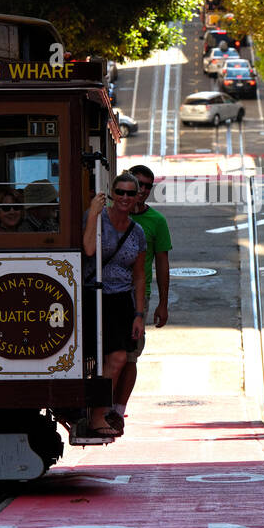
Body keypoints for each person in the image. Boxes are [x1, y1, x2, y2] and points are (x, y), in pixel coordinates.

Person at [81, 173, 147, 437]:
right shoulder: (96, 217)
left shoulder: (138, 232)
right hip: (93, 295)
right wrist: (94, 214)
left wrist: (139, 314)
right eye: (120, 192)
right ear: (112, 192)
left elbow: (139, 275)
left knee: (119, 358)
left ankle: (100, 414)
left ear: (137, 197)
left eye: (131, 194)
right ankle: (95, 414)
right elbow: (87, 250)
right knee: (97, 359)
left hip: (121, 301)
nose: (125, 198)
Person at [113, 165, 172, 433]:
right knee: (113, 355)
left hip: (139, 297)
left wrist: (162, 303)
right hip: (110, 293)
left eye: (149, 186)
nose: (143, 191)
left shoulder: (156, 222)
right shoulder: (108, 217)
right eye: (140, 184)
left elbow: (162, 263)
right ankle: (104, 406)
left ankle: (119, 410)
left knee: (131, 357)